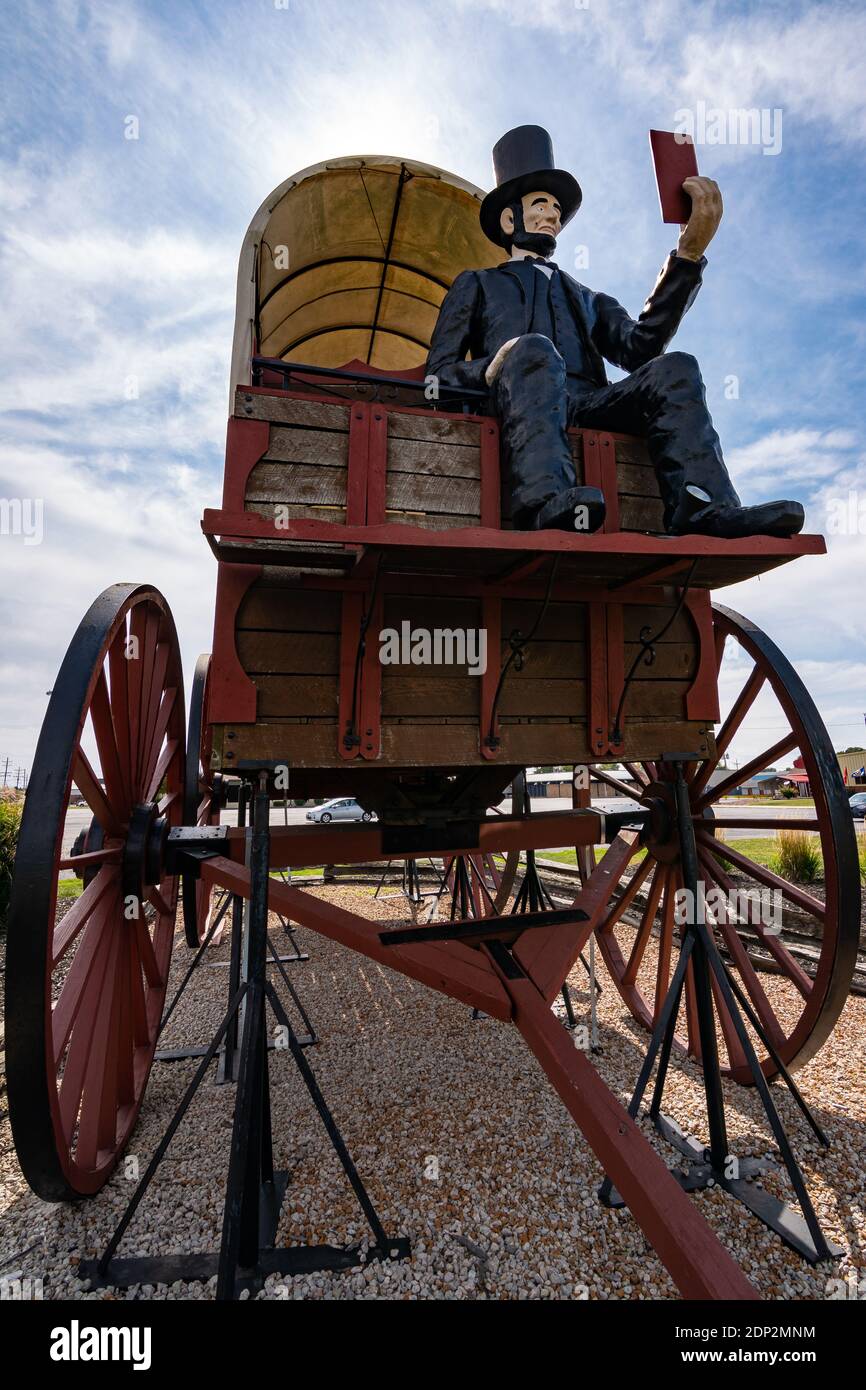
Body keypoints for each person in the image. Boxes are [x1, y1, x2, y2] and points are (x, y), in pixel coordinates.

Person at [426, 125, 804, 538]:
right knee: (533, 348)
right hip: (514, 405)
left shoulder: (589, 298)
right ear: (508, 217)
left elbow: (641, 350)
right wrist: (492, 367)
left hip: (589, 404)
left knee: (677, 367)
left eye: (556, 208)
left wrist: (688, 255)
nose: (553, 215)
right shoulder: (476, 284)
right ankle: (542, 502)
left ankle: (703, 508)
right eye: (541, 204)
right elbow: (436, 380)